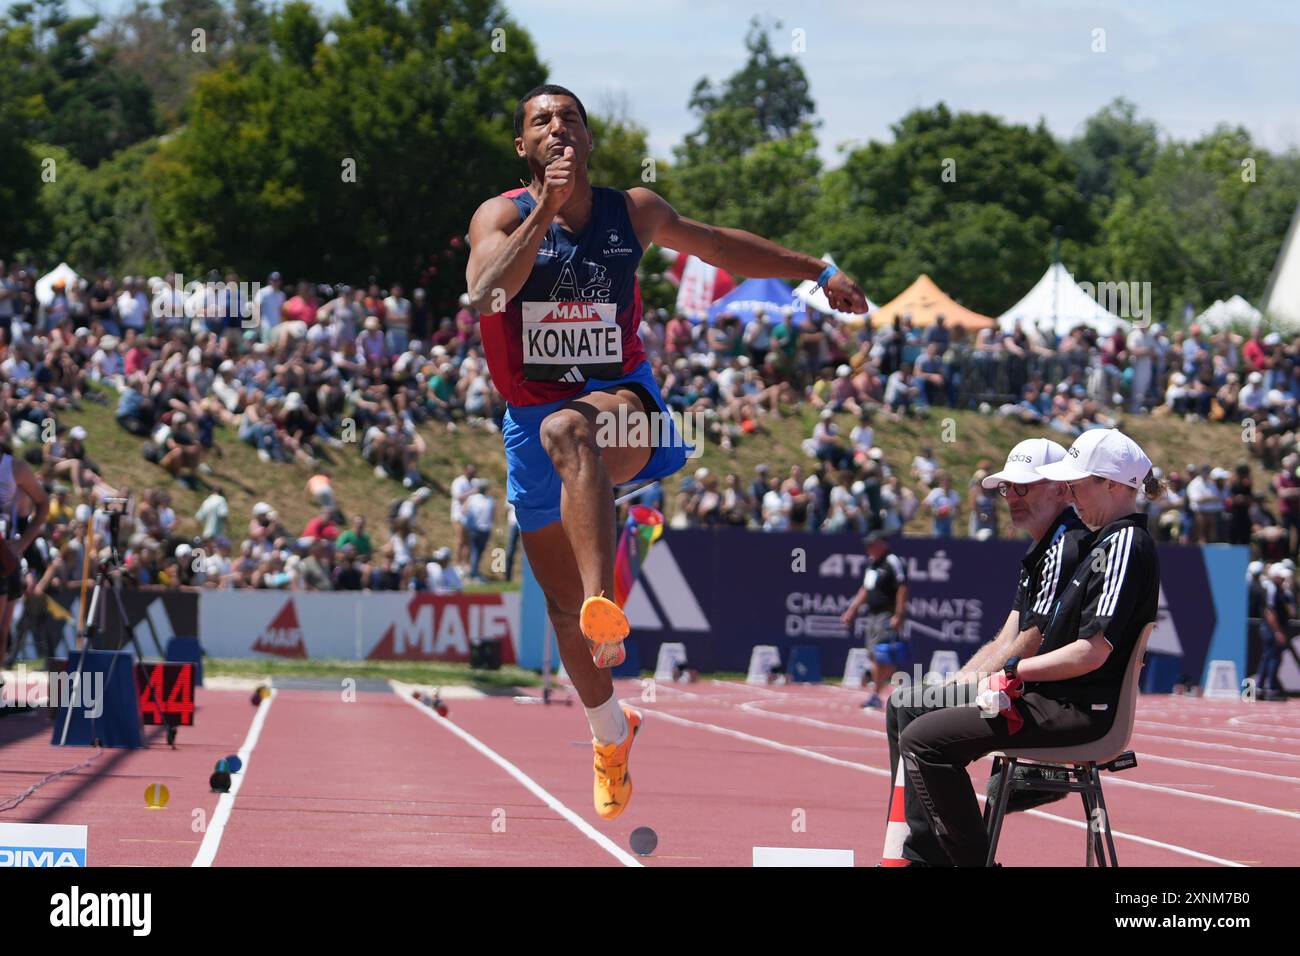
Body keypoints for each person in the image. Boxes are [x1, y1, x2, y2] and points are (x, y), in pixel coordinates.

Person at [465, 83, 870, 819]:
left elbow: (721, 247)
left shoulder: (635, 211)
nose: (558, 128)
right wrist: (547, 214)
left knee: (575, 433)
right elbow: (487, 296)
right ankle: (610, 733)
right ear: (523, 147)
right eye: (541, 122)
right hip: (529, 421)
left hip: (626, 405)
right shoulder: (501, 215)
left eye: (571, 119)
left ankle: (603, 598)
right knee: (557, 606)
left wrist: (817, 269)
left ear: (588, 140)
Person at [899, 428, 1160, 865]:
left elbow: (1090, 652)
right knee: (919, 725)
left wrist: (1015, 673)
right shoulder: (1105, 542)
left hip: (1078, 712)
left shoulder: (1124, 543)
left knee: (923, 740)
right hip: (1055, 701)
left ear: (1113, 485)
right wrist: (1002, 675)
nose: (1072, 493)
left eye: (1079, 483)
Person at [883, 438, 1090, 866]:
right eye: (1006, 489)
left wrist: (976, 682)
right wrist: (960, 681)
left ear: (1060, 488)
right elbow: (1005, 637)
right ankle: (927, 851)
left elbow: (1033, 638)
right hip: (1021, 685)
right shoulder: (1042, 547)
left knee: (908, 708)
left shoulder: (1065, 543)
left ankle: (936, 858)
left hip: (1039, 696)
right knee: (908, 703)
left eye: (1024, 488)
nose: (1012, 498)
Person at [0, 412, 50, 671]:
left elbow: (43, 503)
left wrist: (20, 545)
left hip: (3, 554)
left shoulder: (14, 468)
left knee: (2, 626)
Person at [840, 531, 908, 709]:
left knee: (881, 655)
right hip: (872, 615)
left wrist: (899, 614)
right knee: (874, 655)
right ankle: (893, 686)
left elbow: (902, 586)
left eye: (872, 544)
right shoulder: (872, 564)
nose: (868, 548)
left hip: (887, 614)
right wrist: (852, 610)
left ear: (882, 544)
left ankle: (876, 694)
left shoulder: (892, 561)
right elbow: (865, 589)